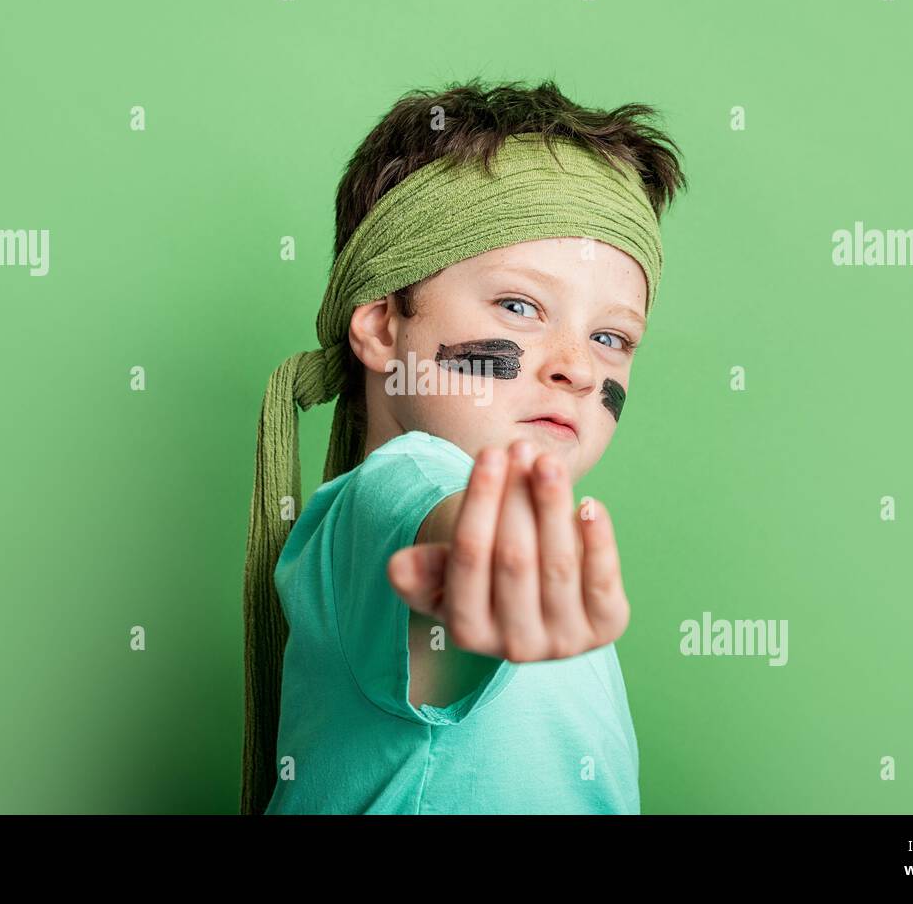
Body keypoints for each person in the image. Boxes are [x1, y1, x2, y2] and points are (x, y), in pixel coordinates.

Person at [242, 78, 687, 814]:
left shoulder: (547, 578)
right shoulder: (393, 488)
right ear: (384, 325)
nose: (577, 367)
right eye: (520, 306)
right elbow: (434, 518)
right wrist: (481, 560)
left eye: (611, 337)